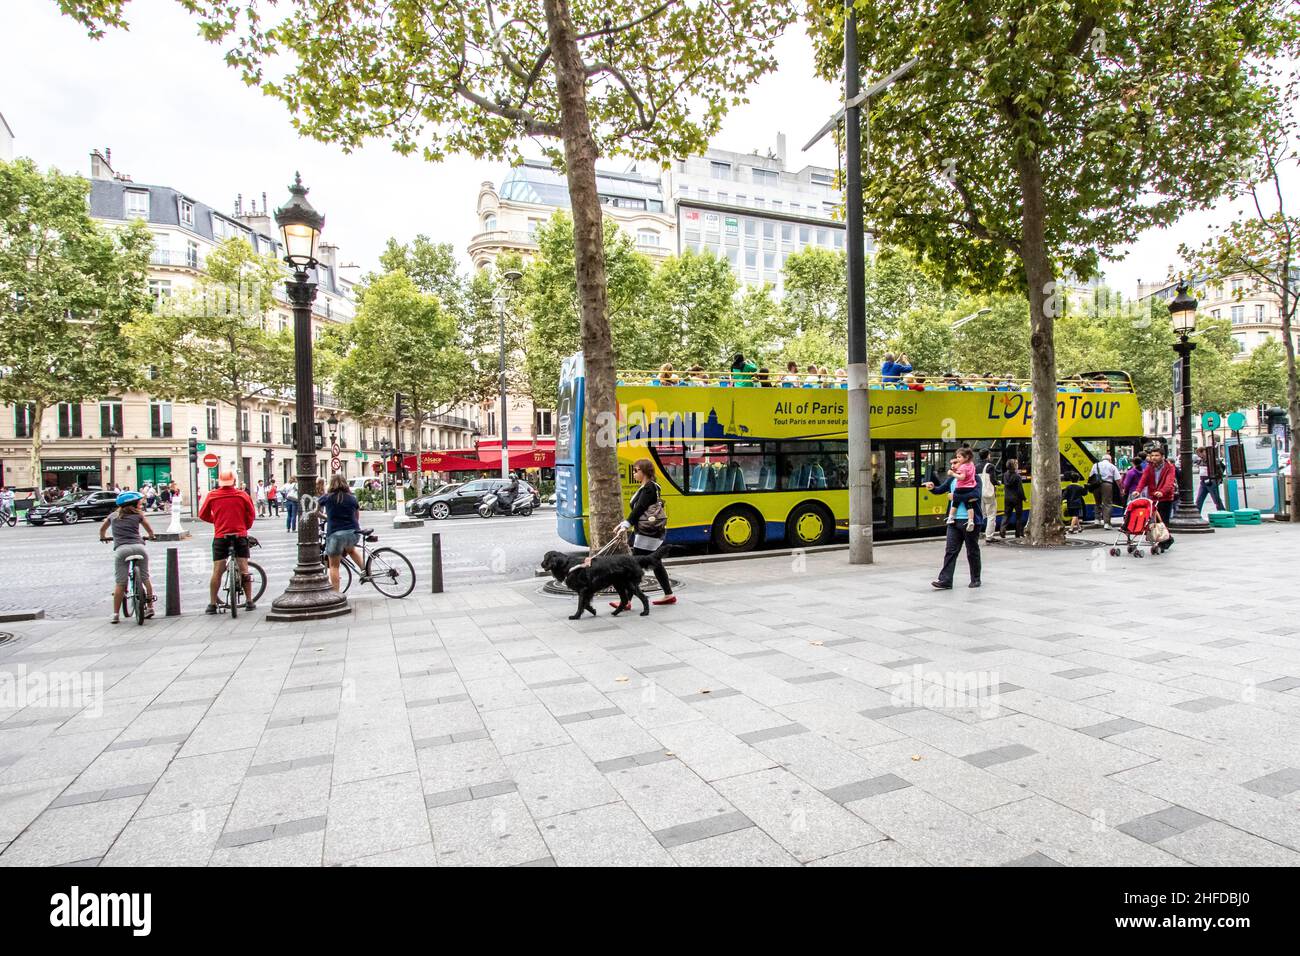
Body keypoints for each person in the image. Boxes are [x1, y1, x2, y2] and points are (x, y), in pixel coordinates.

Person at [612, 458, 675, 608]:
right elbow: (639, 510)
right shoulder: (647, 487)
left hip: (648, 533)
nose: (633, 473)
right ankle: (669, 594)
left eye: (636, 470)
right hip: (649, 531)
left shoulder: (649, 488)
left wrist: (626, 524)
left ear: (645, 471)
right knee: (655, 562)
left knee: (635, 564)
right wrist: (623, 524)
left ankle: (626, 601)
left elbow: (639, 509)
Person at [198, 470, 258, 613]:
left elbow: (202, 514)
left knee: (217, 571)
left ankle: (212, 604)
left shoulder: (212, 495)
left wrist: (216, 521)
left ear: (219, 482)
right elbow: (251, 514)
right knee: (244, 570)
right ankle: (249, 601)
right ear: (234, 482)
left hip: (221, 537)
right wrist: (245, 526)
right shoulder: (242, 495)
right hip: (240, 535)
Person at [98, 491, 158, 624]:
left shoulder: (113, 516)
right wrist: (151, 536)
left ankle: (115, 614)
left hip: (122, 550)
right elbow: (149, 530)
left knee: (120, 583)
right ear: (134, 504)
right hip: (139, 547)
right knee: (145, 578)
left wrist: (103, 537)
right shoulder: (139, 515)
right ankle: (150, 607)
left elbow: (102, 530)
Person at [320, 473, 365, 592]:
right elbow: (356, 516)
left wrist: (324, 517)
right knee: (351, 550)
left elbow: (315, 511)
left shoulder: (327, 497)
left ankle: (336, 594)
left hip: (336, 535)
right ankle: (365, 570)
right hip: (353, 533)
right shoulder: (352, 498)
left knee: (334, 566)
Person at [932, 498, 981, 589]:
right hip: (953, 522)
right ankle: (946, 580)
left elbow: (976, 495)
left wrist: (955, 496)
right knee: (950, 551)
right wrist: (931, 487)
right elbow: (940, 489)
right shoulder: (951, 482)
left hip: (970, 522)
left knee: (972, 551)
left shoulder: (976, 482)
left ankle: (975, 579)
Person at [1136, 447, 1177, 552]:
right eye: (1152, 455)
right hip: (1153, 497)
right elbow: (1143, 479)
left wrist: (1162, 491)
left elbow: (1169, 482)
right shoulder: (1149, 467)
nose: (1154, 458)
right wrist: (1138, 490)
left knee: (1163, 521)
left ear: (1162, 457)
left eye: (1156, 455)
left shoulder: (1169, 467)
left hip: (1165, 498)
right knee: (1155, 521)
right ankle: (1166, 539)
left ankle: (1163, 541)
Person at [945, 447, 981, 531]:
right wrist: (932, 488)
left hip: (961, 487)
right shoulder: (971, 465)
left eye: (958, 458)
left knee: (955, 503)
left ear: (966, 457)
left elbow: (962, 477)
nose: (957, 459)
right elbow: (939, 489)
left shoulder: (963, 467)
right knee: (969, 505)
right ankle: (971, 520)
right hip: (970, 487)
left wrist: (953, 473)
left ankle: (950, 517)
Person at [1089, 453, 1121, 527]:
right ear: (1110, 460)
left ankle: (1097, 520)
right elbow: (1118, 479)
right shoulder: (1112, 466)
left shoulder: (1095, 465)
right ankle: (1106, 523)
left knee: (1097, 502)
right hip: (1107, 484)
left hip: (1096, 485)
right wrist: (1121, 489)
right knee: (1107, 503)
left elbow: (1091, 476)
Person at [977, 449, 1000, 541]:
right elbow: (993, 480)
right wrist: (998, 483)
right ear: (988, 455)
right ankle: (989, 536)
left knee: (980, 514)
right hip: (988, 494)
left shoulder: (976, 466)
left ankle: (977, 533)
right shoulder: (990, 466)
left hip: (979, 493)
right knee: (991, 515)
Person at [1195, 446, 1226, 513]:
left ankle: (1222, 512)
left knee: (1216, 499)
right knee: (1199, 499)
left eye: (1199, 454)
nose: (1199, 456)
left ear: (1203, 452)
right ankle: (1197, 513)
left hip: (1211, 481)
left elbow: (1221, 469)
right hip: (1203, 481)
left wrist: (1217, 479)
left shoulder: (1212, 460)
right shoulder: (1201, 460)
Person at [1000, 459, 1026, 538]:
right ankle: (1018, 533)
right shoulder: (1017, 476)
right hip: (1017, 498)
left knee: (1006, 515)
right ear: (1014, 466)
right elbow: (1020, 489)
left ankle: (1002, 530)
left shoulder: (1005, 475)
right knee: (1019, 516)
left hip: (1007, 498)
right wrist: (1024, 498)